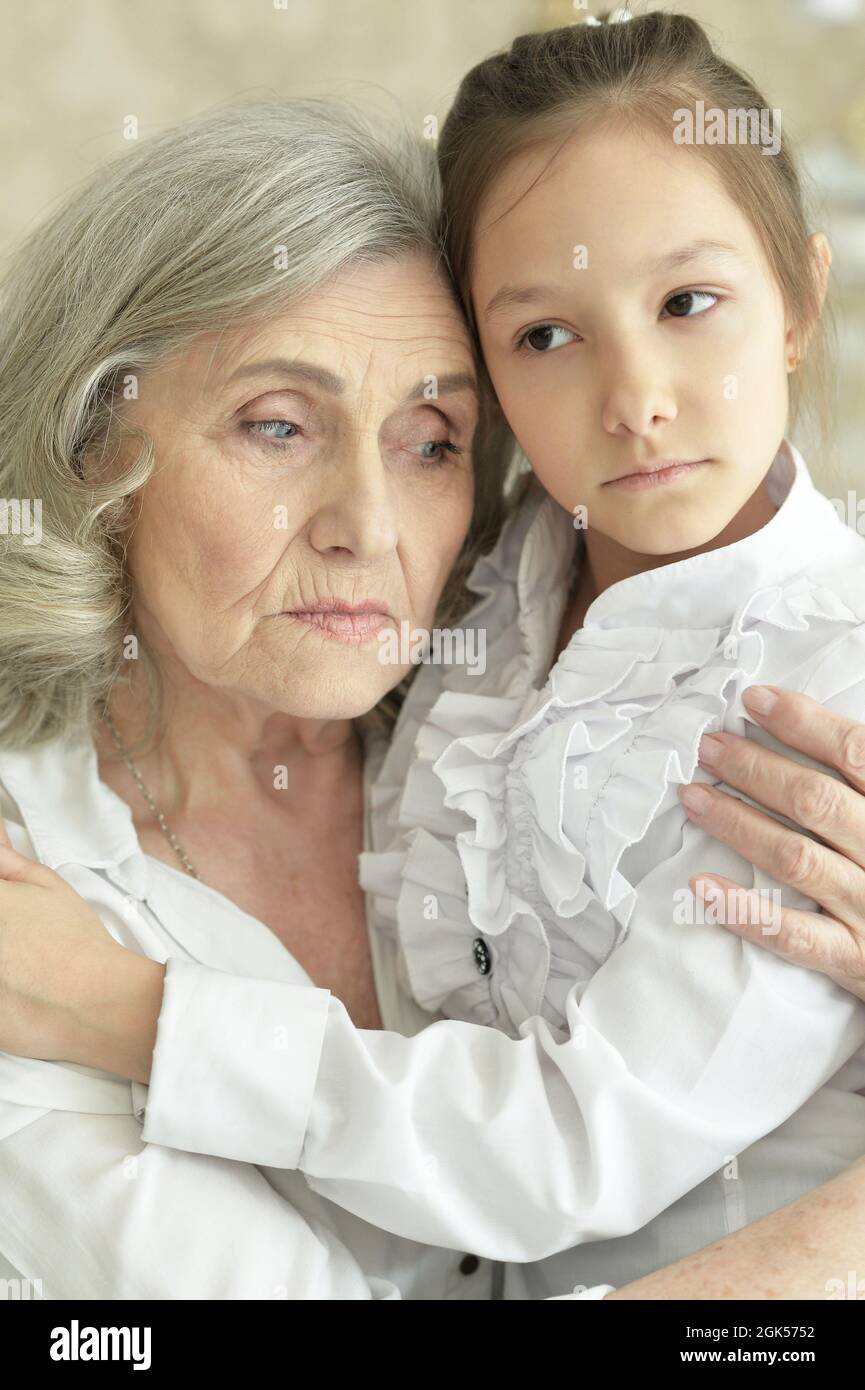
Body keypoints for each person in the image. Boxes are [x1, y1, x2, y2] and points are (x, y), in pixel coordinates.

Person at [2, 25, 865, 1301]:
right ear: (92, 443)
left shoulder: (594, 664)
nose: (372, 525)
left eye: (429, 437)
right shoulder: (34, 895)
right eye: (278, 424)